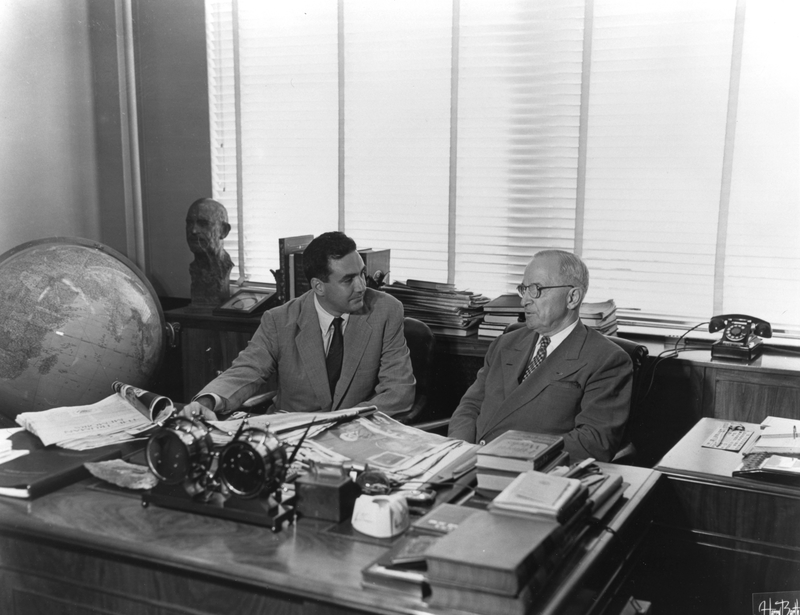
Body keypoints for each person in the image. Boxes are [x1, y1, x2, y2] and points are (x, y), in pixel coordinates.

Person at [182, 231, 415, 418]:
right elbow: (246, 370)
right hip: (292, 439)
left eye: (362, 274)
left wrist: (344, 423)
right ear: (318, 286)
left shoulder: (385, 310)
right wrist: (207, 401)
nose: (361, 286)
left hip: (356, 434)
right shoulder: (279, 320)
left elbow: (399, 391)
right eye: (348, 279)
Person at [447, 250, 632, 461]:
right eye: (523, 289)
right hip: (468, 463)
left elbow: (593, 442)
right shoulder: (505, 343)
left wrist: (504, 456)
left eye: (536, 289)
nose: (524, 300)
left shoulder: (607, 359)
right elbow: (470, 407)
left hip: (533, 472)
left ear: (572, 298)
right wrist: (459, 451)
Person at [186, 198, 234, 307]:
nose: (193, 230)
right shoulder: (195, 269)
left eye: (203, 224)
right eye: (189, 223)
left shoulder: (223, 268)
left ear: (223, 231)